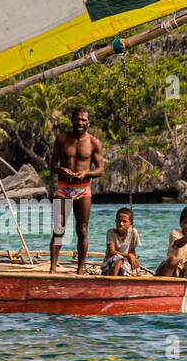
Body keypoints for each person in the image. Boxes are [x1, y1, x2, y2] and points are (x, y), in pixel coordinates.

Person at [49, 107, 104, 273]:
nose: (79, 122)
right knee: (58, 229)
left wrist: (86, 173)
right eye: (77, 119)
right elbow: (52, 165)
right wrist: (61, 170)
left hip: (83, 189)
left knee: (82, 229)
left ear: (88, 122)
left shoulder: (94, 142)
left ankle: (80, 270)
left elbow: (100, 169)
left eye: (83, 120)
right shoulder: (62, 139)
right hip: (63, 188)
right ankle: (52, 269)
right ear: (72, 120)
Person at [103, 207, 142, 276]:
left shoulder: (133, 232)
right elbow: (112, 252)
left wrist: (134, 260)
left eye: (124, 221)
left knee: (127, 268)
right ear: (115, 221)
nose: (121, 223)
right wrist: (129, 255)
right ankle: (112, 282)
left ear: (131, 223)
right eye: (118, 220)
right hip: (110, 264)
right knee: (119, 258)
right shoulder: (111, 232)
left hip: (125, 263)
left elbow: (132, 250)